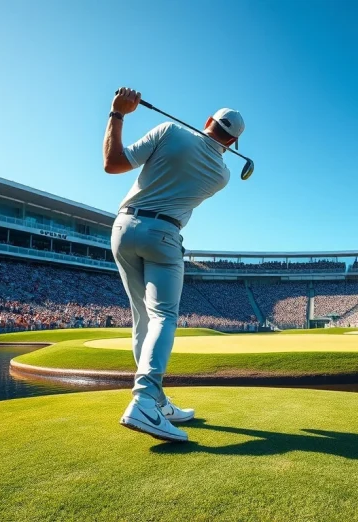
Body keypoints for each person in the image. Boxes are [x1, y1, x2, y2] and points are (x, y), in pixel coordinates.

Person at [103, 87, 245, 443]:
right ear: (232, 143)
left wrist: (118, 113)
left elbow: (113, 163)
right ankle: (145, 400)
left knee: (143, 320)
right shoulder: (221, 175)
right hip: (164, 235)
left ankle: (159, 401)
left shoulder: (169, 130)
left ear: (208, 121)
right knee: (163, 317)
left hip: (122, 227)